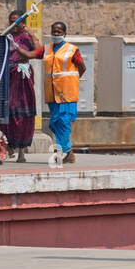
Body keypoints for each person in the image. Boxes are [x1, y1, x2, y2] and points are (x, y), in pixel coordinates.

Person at [4, 9, 43, 162]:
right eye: (11, 21)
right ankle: (8, 146)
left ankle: (21, 151)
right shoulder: (5, 37)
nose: (14, 25)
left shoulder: (26, 38)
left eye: (17, 21)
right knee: (7, 109)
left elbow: (39, 51)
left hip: (22, 76)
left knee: (23, 110)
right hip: (8, 75)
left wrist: (31, 33)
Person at [43, 21, 86, 164]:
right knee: (55, 123)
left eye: (59, 32)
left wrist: (71, 81)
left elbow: (82, 67)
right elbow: (32, 53)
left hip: (67, 94)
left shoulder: (72, 49)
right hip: (53, 93)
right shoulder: (47, 49)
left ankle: (62, 152)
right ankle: (69, 152)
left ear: (65, 34)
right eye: (54, 31)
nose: (56, 34)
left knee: (64, 121)